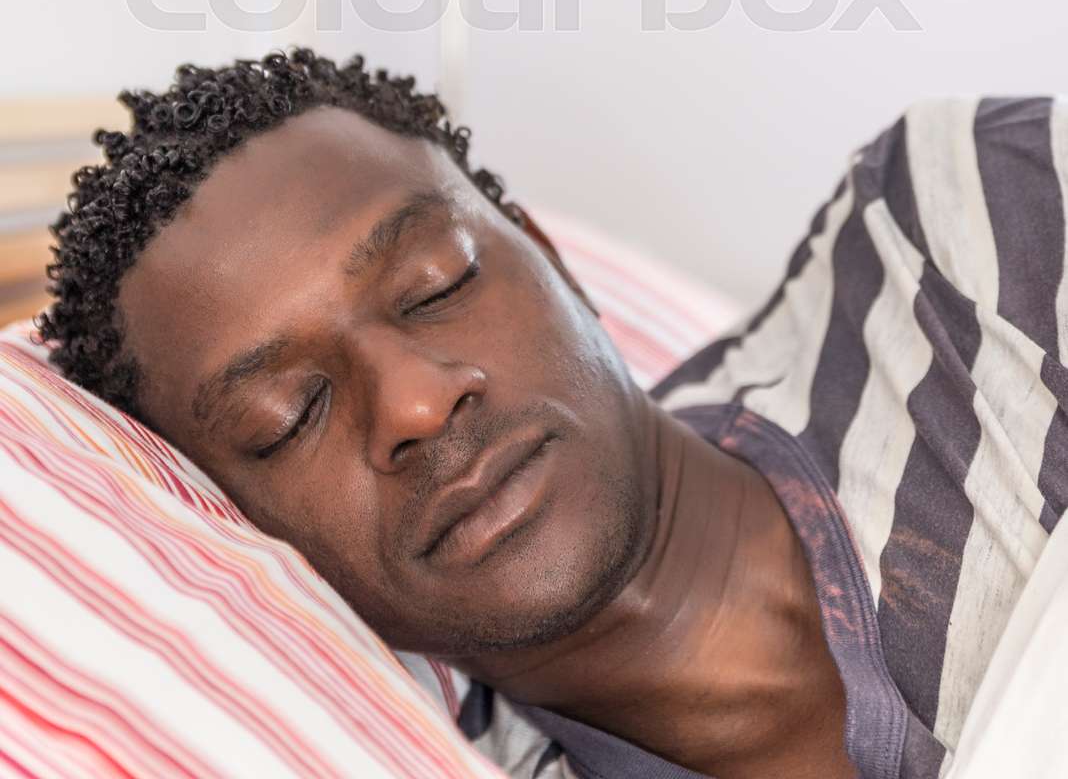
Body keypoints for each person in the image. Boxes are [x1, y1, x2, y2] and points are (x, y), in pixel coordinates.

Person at [39, 50, 1068, 779]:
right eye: (289, 414)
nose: (414, 398)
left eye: (437, 282)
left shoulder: (959, 246)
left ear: (546, 251)